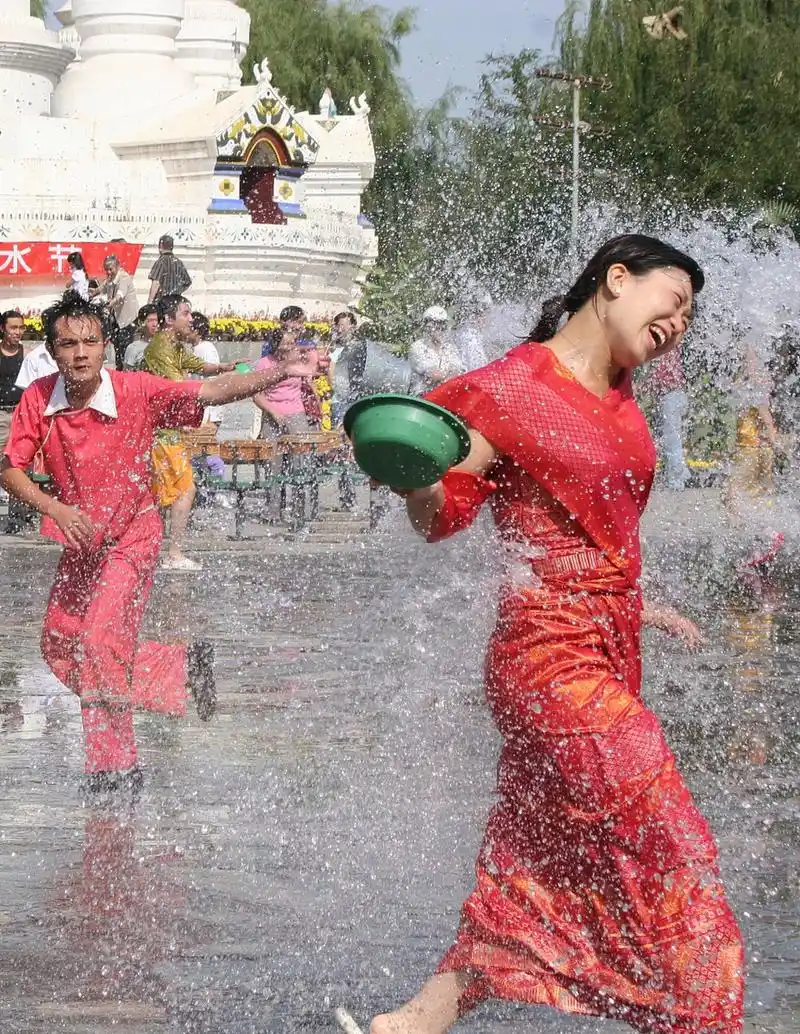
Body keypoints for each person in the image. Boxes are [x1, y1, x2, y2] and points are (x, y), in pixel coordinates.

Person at [355, 236, 744, 1034]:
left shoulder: (628, 399)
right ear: (615, 280)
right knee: (678, 852)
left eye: (691, 317)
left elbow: (597, 537)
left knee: (541, 866)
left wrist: (636, 606)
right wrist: (415, 480)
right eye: (673, 301)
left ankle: (415, 1021)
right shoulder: (505, 390)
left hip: (606, 652)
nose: (681, 321)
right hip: (546, 660)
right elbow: (441, 518)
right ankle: (706, 1016)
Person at [0, 294, 325, 794]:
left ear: (107, 346)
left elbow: (212, 389)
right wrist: (56, 508)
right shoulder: (39, 397)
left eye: (91, 342)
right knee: (60, 646)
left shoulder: (136, 390)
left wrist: (277, 371)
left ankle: (115, 768)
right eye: (68, 344)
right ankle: (181, 667)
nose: (81, 353)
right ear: (53, 350)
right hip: (81, 540)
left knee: (100, 643)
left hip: (132, 537)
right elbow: (10, 469)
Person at [144, 295, 235, 571]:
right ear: (169, 319)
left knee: (160, 495)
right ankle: (173, 553)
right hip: (162, 434)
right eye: (186, 313)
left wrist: (221, 368)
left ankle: (148, 549)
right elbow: (177, 386)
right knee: (185, 490)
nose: (191, 318)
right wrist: (216, 393)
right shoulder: (160, 348)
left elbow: (195, 365)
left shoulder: (174, 345)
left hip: (165, 432)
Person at [646, 344, 691, 489]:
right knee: (673, 438)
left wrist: (644, 386)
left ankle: (676, 480)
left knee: (672, 441)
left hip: (670, 397)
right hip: (679, 395)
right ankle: (681, 472)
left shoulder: (665, 352)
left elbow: (660, 375)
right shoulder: (674, 348)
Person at [0, 311, 26, 533]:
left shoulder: (27, 355)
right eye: (13, 328)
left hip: (21, 414)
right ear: (3, 329)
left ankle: (17, 516)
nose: (17, 332)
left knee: (18, 463)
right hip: (1, 415)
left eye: (20, 328)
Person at [408, 306, 464, 395]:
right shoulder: (417, 348)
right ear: (426, 326)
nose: (439, 328)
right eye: (435, 323)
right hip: (422, 398)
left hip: (445, 394)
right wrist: (448, 376)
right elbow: (433, 374)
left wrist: (444, 377)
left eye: (442, 324)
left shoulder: (449, 347)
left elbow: (459, 372)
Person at [101, 254, 140, 371]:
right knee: (117, 347)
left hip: (128, 320)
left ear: (117, 266)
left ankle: (126, 374)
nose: (108, 272)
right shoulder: (110, 279)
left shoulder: (124, 278)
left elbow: (120, 295)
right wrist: (92, 292)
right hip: (117, 320)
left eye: (110, 269)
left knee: (125, 348)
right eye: (106, 269)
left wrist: (112, 302)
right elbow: (102, 288)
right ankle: (119, 370)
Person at [190, 312, 224, 429]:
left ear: (196, 331)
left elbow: (212, 379)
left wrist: (207, 413)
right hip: (199, 408)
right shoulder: (194, 347)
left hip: (209, 412)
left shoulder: (206, 349)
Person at [147, 235, 192, 303]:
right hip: (175, 303)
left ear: (161, 246)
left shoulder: (160, 262)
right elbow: (187, 282)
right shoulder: (179, 263)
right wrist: (176, 292)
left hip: (161, 302)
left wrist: (150, 302)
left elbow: (156, 283)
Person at [453, 298, 490, 371]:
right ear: (478, 317)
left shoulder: (466, 332)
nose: (487, 319)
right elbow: (476, 367)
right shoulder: (471, 338)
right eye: (486, 314)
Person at [123, 304, 159, 371]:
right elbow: (127, 375)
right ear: (141, 323)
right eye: (150, 320)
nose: (155, 324)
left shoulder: (165, 345)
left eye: (157, 320)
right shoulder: (133, 348)